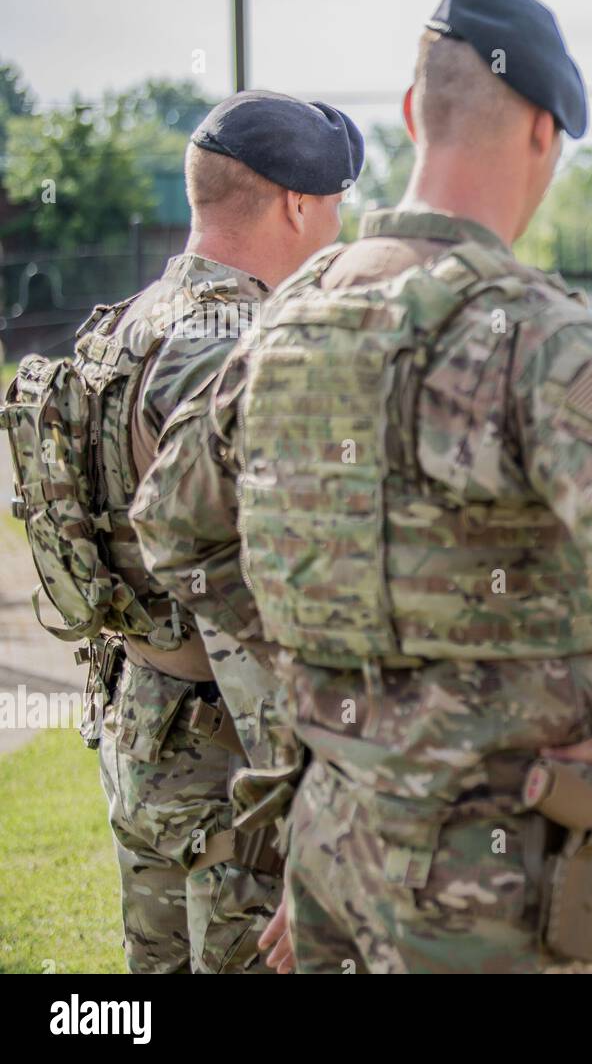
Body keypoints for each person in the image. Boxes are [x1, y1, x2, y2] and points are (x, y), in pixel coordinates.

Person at [132, 0, 592, 974]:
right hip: (498, 866)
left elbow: (175, 526)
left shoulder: (281, 325)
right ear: (544, 131)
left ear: (415, 114)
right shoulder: (541, 339)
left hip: (329, 838)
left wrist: (324, 684)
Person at [54, 91, 361, 973]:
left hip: (143, 736)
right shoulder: (237, 350)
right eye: (335, 205)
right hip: (234, 776)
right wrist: (309, 810)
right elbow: (247, 598)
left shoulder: (126, 326)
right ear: (298, 205)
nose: (339, 229)